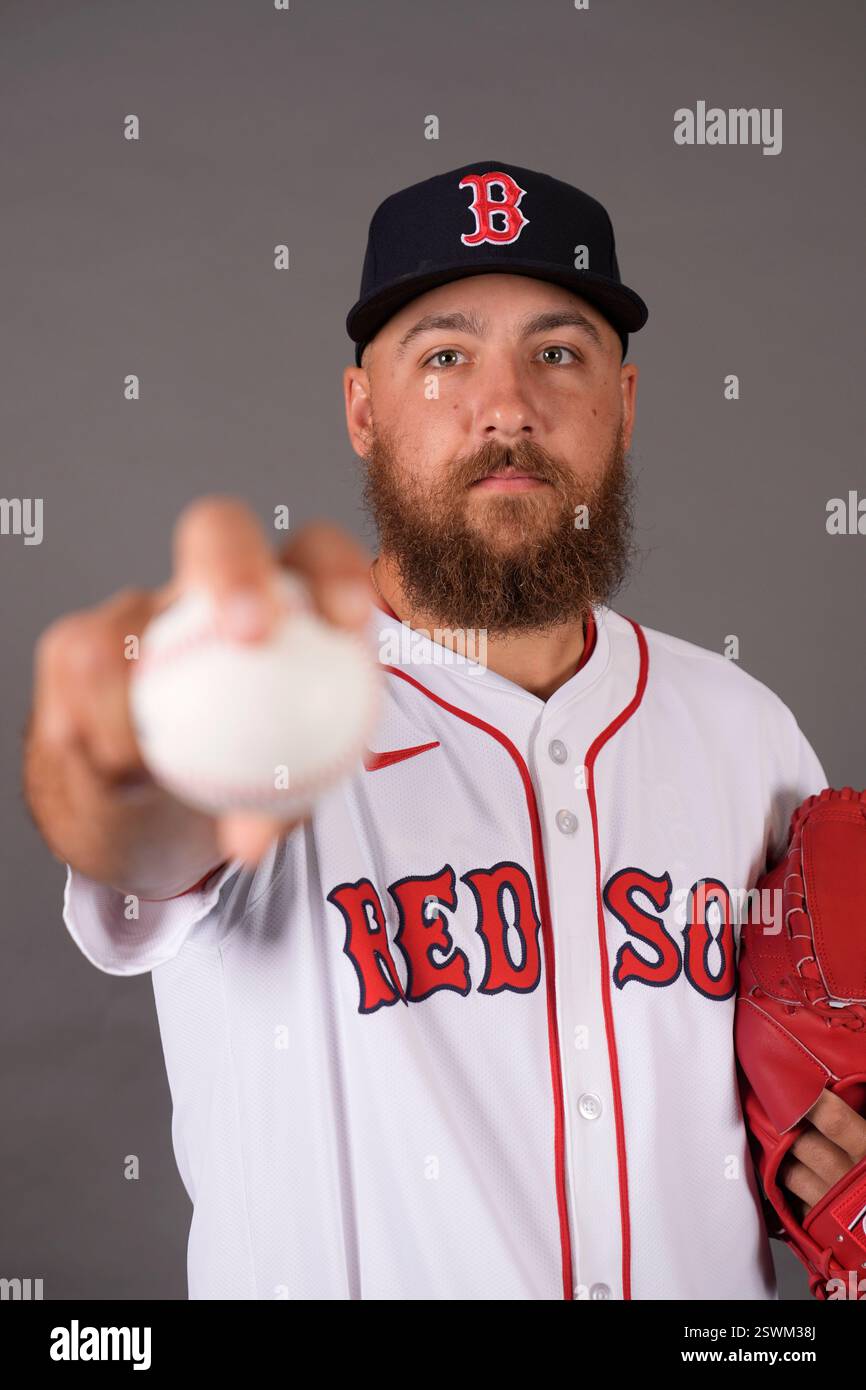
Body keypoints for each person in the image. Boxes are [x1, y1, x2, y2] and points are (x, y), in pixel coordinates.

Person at [24, 160, 866, 1300]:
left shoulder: (744, 732)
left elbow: (808, 1090)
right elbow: (138, 831)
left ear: (622, 404)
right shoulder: (271, 706)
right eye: (444, 356)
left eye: (557, 353)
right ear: (362, 411)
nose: (506, 404)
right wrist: (134, 754)